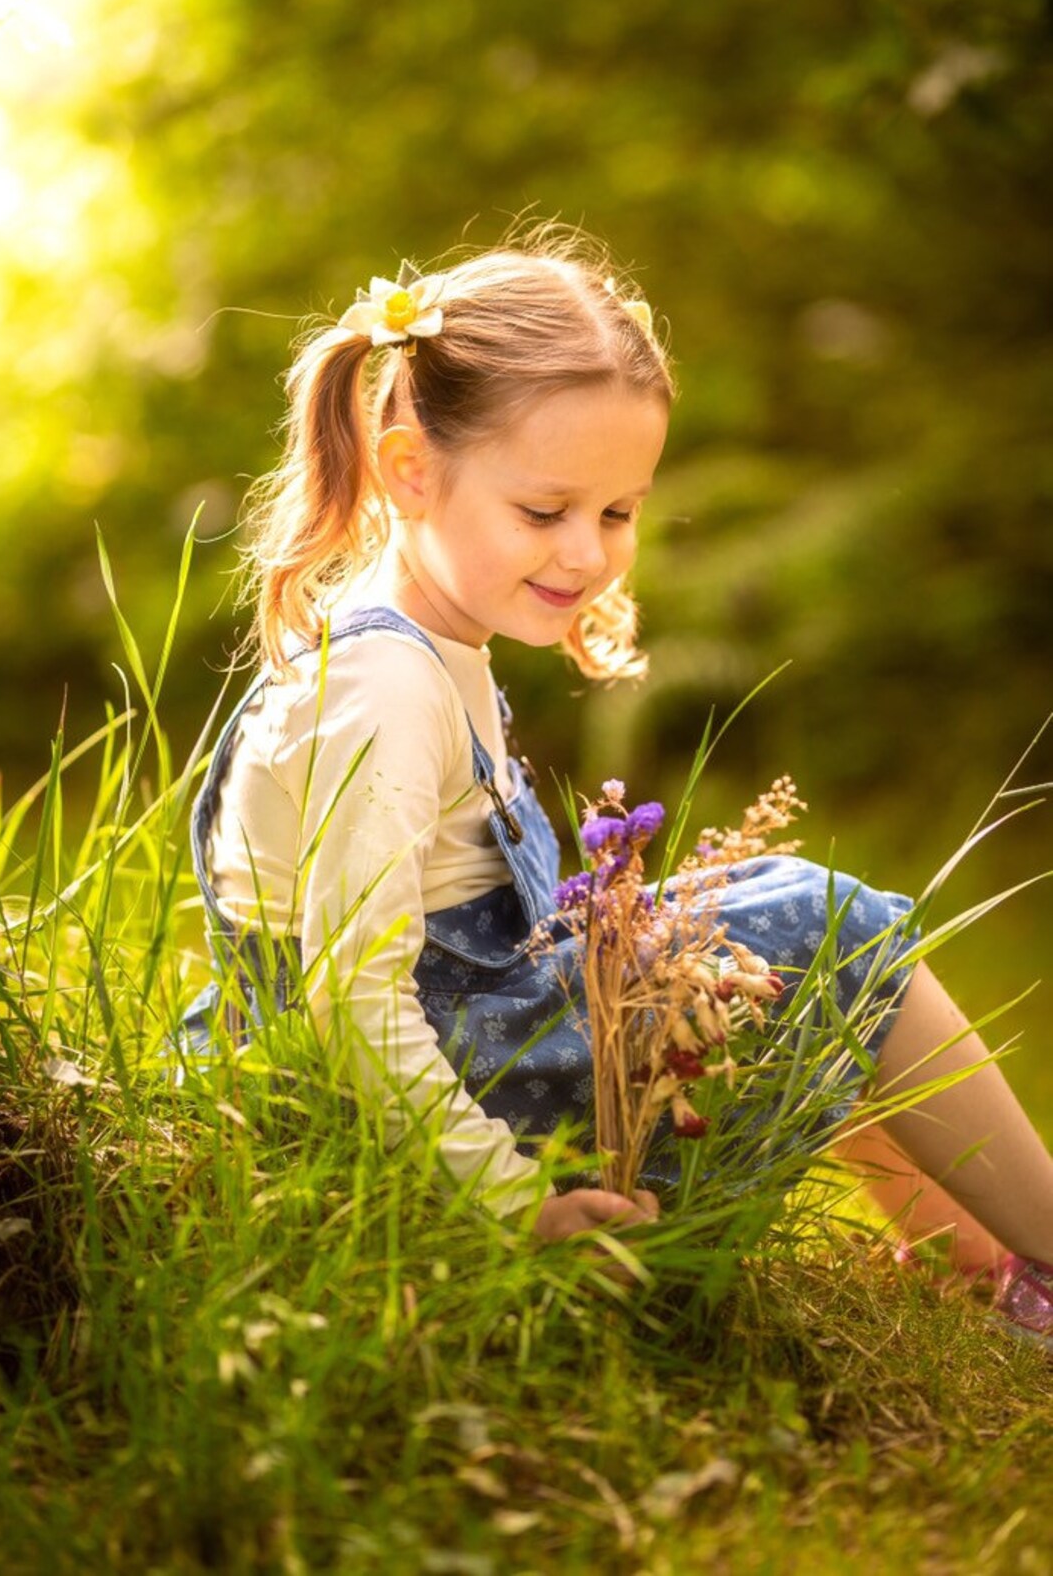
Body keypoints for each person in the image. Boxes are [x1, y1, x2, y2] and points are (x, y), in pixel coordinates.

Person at [176, 232, 1053, 1349]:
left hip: (456, 1055)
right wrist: (513, 1204)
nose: (587, 553)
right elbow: (353, 1001)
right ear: (409, 470)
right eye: (545, 512)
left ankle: (980, 1273)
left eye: (618, 512)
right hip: (409, 1113)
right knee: (820, 924)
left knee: (757, 944)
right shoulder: (384, 681)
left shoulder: (430, 642)